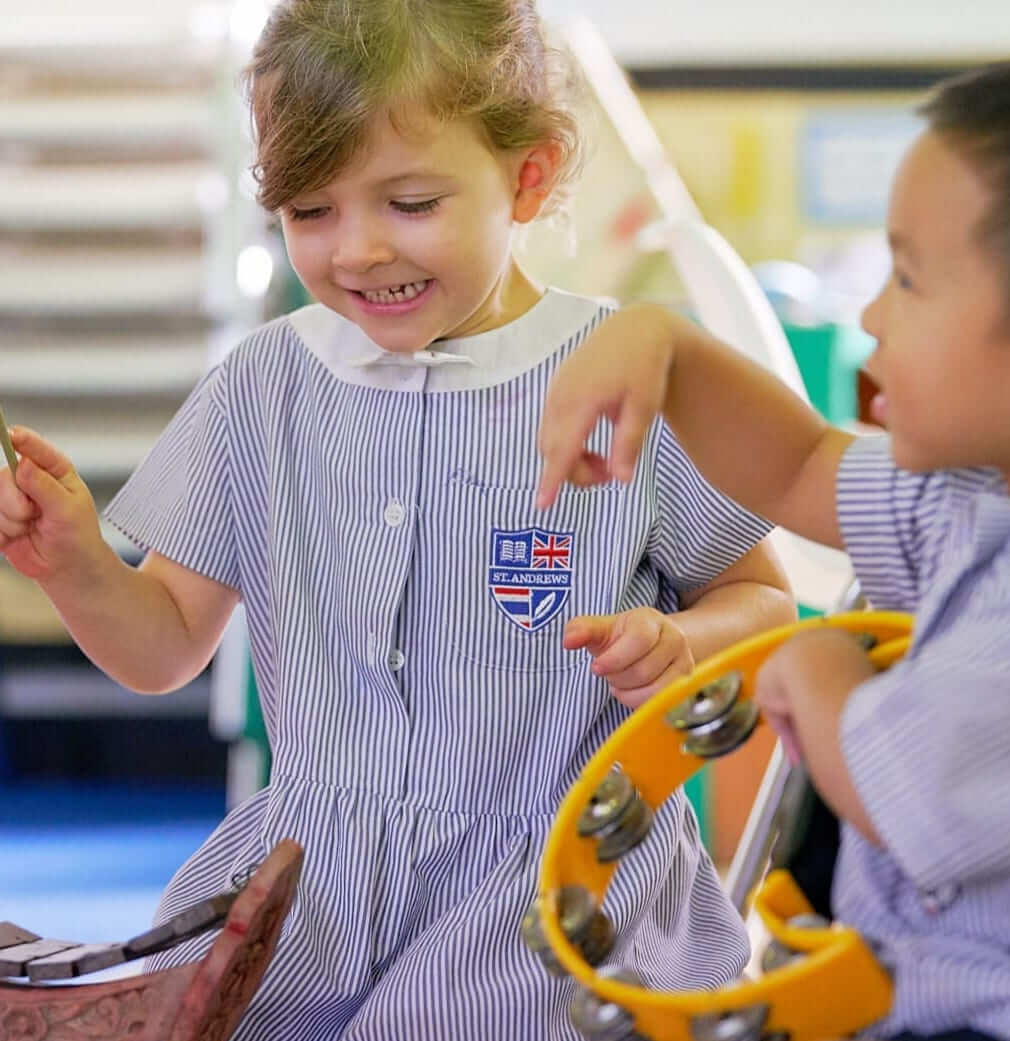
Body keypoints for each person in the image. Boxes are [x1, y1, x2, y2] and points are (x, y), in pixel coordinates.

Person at [0, 2, 795, 1038]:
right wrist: (72, 562)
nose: (359, 251)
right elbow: (160, 649)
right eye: (309, 212)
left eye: (409, 202)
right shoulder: (263, 384)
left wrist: (685, 639)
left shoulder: (624, 374)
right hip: (303, 898)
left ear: (530, 176)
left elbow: (767, 598)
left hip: (547, 904)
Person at [537, 62, 1010, 1041]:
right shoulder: (966, 500)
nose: (872, 314)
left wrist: (814, 670)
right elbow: (796, 464)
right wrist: (664, 346)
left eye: (908, 279)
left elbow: (890, 790)